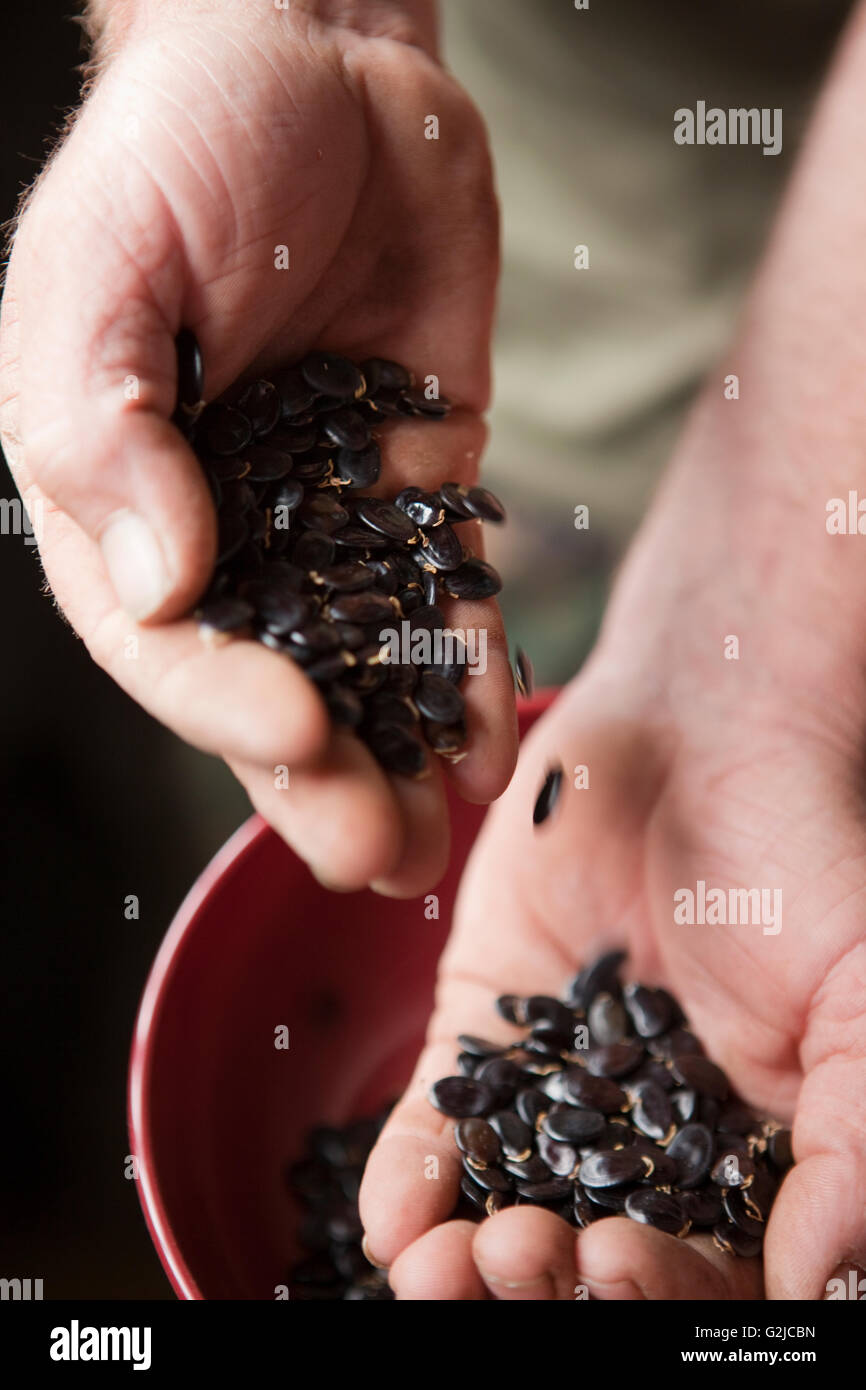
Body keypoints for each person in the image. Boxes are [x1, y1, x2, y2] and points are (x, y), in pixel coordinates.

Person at [2, 0, 864, 1300]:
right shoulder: (376, 390)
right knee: (312, 752)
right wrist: (298, 28)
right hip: (424, 245)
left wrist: (780, 639)